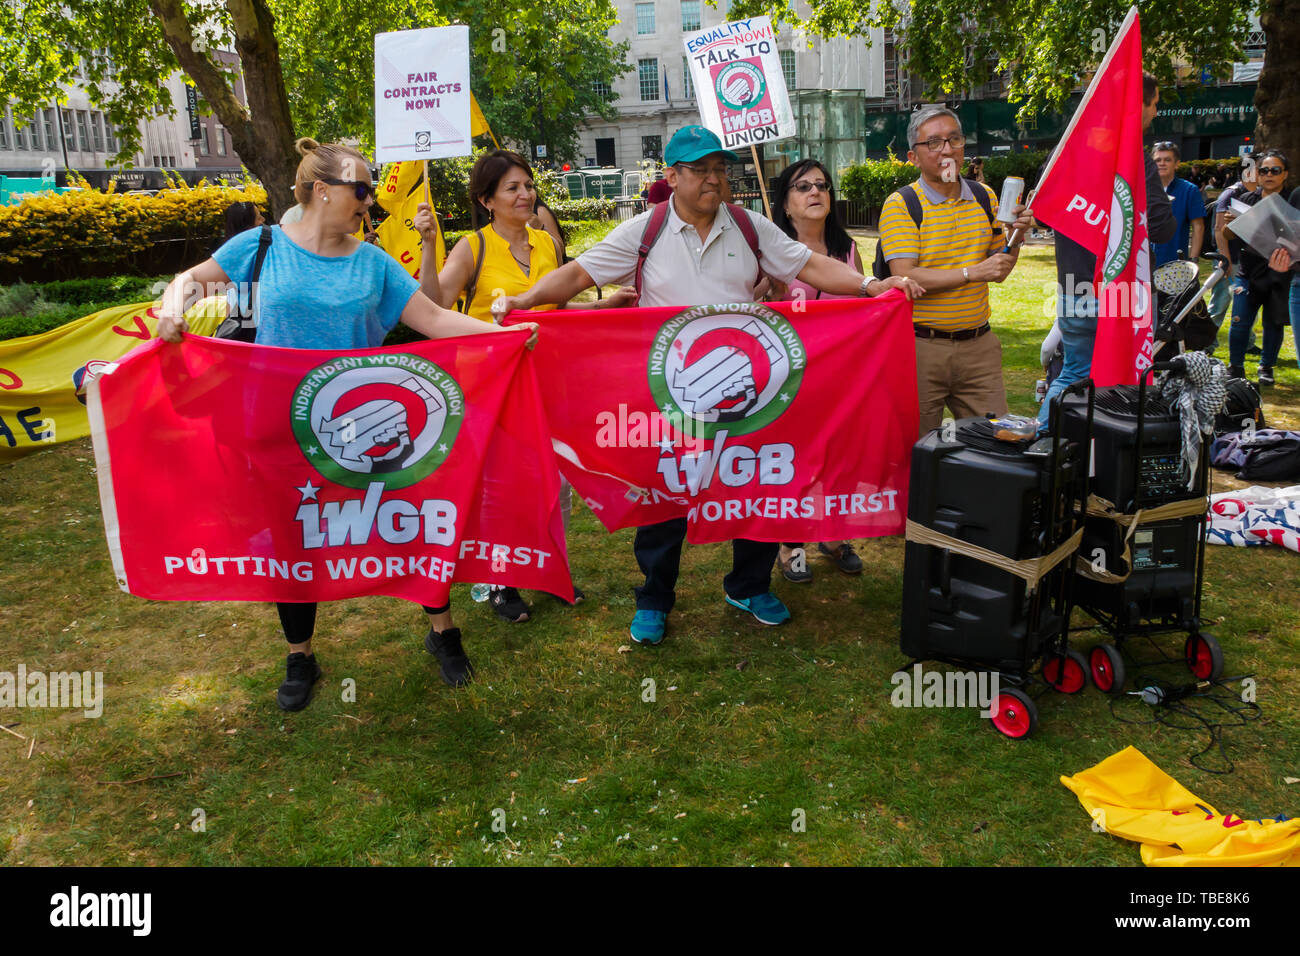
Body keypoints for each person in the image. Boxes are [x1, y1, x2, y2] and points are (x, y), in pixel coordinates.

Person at [490, 125, 922, 646]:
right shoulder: (644, 232)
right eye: (701, 170)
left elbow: (809, 264)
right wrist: (525, 301)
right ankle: (654, 597)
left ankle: (749, 585)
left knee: (755, 490)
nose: (714, 179)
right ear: (671, 176)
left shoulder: (748, 225)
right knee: (665, 498)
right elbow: (579, 274)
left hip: (747, 389)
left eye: (720, 168)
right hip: (673, 397)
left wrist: (872, 286)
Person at [153, 138, 539, 709]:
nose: (370, 200)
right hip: (279, 429)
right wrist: (171, 307)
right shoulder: (260, 246)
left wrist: (506, 337)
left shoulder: (373, 261)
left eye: (371, 189)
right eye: (362, 189)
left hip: (367, 430)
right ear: (321, 190)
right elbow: (189, 279)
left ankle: (443, 632)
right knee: (294, 540)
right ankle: (300, 655)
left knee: (408, 522)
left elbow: (432, 319)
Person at [414, 148, 634, 623]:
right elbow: (432, 307)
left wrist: (602, 306)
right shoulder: (472, 247)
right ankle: (503, 581)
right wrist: (429, 245)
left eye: (528, 185)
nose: (525, 194)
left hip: (548, 380)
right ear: (487, 199)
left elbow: (551, 312)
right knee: (503, 485)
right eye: (512, 187)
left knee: (556, 481)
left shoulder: (548, 245)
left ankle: (549, 567)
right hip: (489, 386)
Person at [878, 106, 1034, 436]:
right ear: (913, 157)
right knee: (917, 451)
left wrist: (1017, 236)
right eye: (933, 143)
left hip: (979, 348)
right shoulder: (902, 204)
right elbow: (906, 278)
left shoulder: (984, 197)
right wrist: (972, 273)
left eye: (954, 139)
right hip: (920, 348)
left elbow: (999, 269)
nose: (947, 149)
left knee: (994, 446)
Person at [1038, 72, 1175, 425]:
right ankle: (1106, 461)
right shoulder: (1132, 158)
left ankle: (1045, 444)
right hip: (1121, 292)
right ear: (1136, 104)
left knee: (1072, 373)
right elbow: (1161, 227)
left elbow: (1043, 211)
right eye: (1154, 104)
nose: (1155, 113)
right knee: (1122, 382)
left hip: (1073, 288)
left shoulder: (1068, 149)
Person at [768, 158, 865, 582]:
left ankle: (834, 533)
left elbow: (864, 306)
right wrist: (768, 293)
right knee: (792, 460)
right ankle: (790, 544)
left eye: (822, 186)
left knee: (837, 457)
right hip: (789, 379)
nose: (814, 193)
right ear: (785, 204)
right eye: (802, 186)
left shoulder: (848, 249)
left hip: (839, 376)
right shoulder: (770, 251)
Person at [1225, 149, 1292, 386]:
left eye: (1275, 170)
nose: (1269, 175)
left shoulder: (1292, 200)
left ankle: (1267, 366)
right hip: (1248, 272)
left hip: (1280, 272)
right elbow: (1230, 234)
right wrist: (1230, 225)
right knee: (1240, 321)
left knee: (1273, 322)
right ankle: (1235, 366)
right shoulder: (1246, 199)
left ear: (1285, 174)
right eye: (1264, 170)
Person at [1209, 161, 1259, 334]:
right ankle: (1207, 341)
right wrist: (1225, 259)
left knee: (1246, 301)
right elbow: (1218, 228)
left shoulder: (1257, 194)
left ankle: (1248, 343)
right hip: (1229, 256)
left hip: (1247, 258)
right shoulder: (1232, 193)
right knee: (1221, 301)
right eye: (1261, 170)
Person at [1150, 141, 1206, 267]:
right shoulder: (1141, 190)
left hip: (1175, 265)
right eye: (1157, 160)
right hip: (1144, 266)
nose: (1162, 163)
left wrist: (1193, 260)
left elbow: (1198, 227)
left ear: (1177, 164)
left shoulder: (1189, 190)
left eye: (1167, 160)